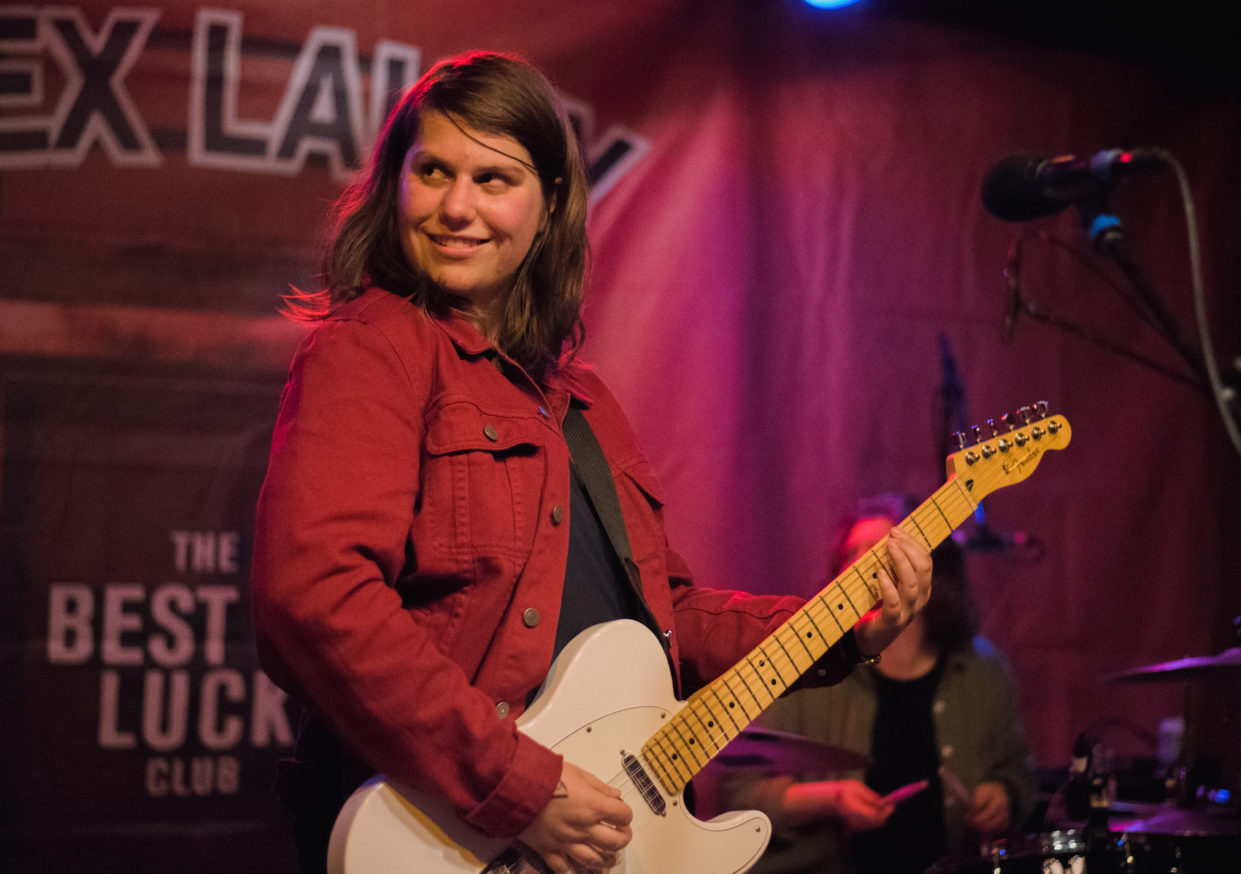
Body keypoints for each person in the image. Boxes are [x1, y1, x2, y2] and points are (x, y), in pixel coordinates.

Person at [249, 52, 933, 874]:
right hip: (440, 835)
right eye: (432, 171)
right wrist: (520, 787)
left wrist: (842, 627)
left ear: (549, 209)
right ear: (396, 182)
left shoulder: (586, 404)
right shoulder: (373, 349)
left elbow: (668, 620)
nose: (456, 207)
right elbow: (313, 597)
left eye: (493, 180)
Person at [718, 494, 1034, 874]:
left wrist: (1003, 795)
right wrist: (830, 798)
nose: (860, 565)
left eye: (878, 550)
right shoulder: (807, 668)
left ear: (923, 564)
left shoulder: (984, 671)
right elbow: (738, 794)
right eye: (852, 554)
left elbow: (1018, 772)